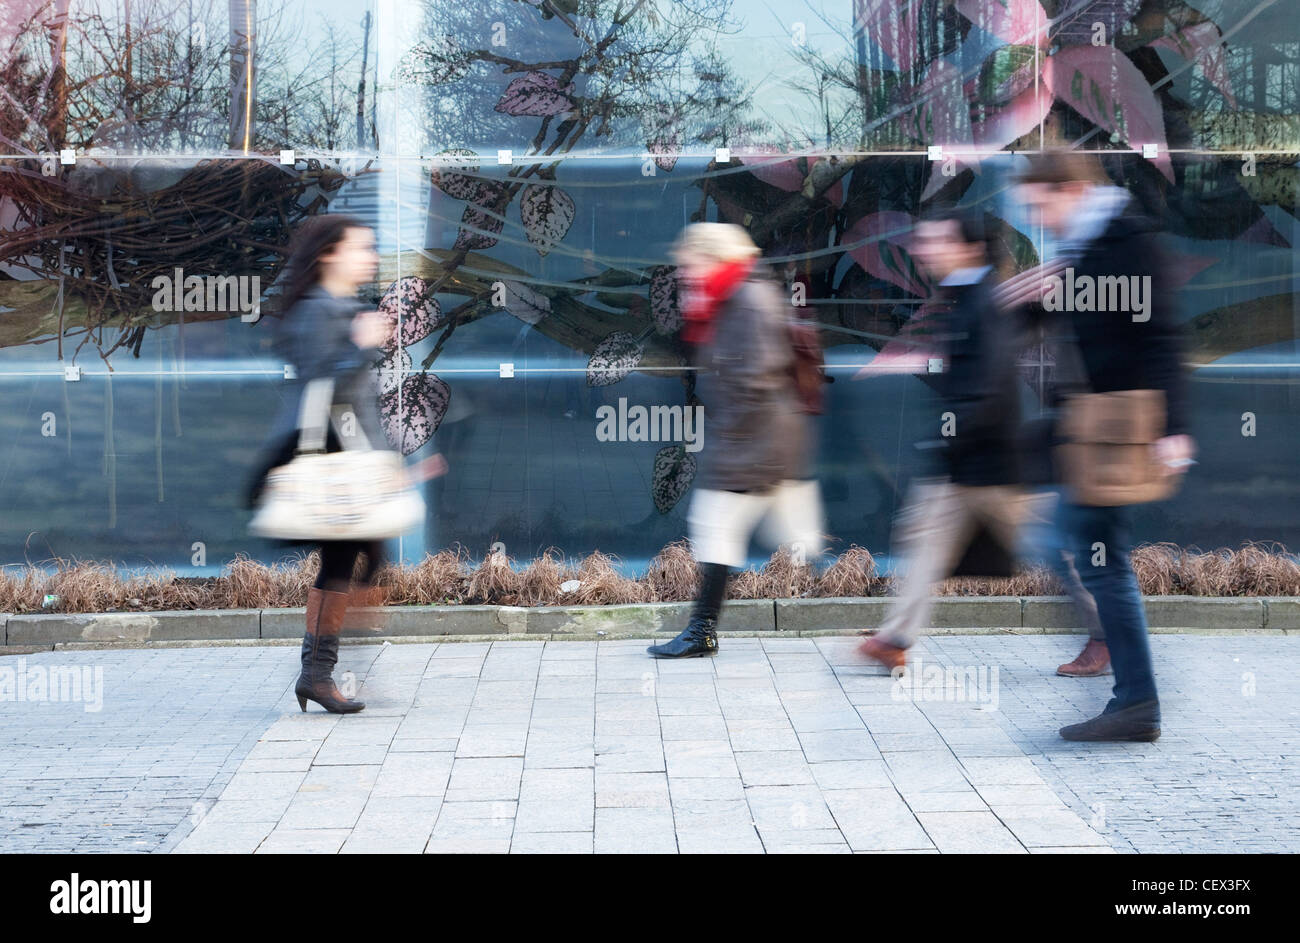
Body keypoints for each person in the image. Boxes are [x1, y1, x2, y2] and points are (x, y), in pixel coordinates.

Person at [1013, 151, 1194, 742]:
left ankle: (1137, 701)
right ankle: (1133, 697)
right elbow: (1086, 329)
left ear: (1069, 189)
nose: (1042, 218)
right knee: (1086, 553)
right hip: (1090, 435)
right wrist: (1036, 298)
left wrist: (1174, 427)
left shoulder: (1125, 241)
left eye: (1042, 205)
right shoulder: (1089, 249)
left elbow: (1164, 337)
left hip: (1115, 436)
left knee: (1102, 562)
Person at [247, 214, 443, 713]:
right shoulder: (317, 310)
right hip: (325, 458)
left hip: (347, 455)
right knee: (352, 559)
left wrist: (384, 462)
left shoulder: (340, 306)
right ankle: (317, 670)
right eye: (362, 248)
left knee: (358, 558)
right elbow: (321, 383)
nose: (371, 257)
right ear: (329, 254)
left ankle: (318, 670)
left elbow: (352, 400)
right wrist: (359, 345)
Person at [858, 209, 1029, 670]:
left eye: (938, 241)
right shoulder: (964, 296)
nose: (925, 251)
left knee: (1052, 547)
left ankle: (1104, 627)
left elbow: (989, 386)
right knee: (926, 539)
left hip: (987, 462)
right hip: (968, 461)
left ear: (970, 249)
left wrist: (949, 437)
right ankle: (895, 637)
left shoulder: (981, 302)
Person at [647, 223, 824, 659]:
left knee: (717, 530)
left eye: (690, 264)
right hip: (765, 443)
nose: (685, 274)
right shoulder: (732, 297)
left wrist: (732, 439)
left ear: (715, 258)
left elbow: (756, 378)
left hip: (756, 445)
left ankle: (701, 632)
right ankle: (702, 631)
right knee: (798, 539)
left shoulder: (746, 300)